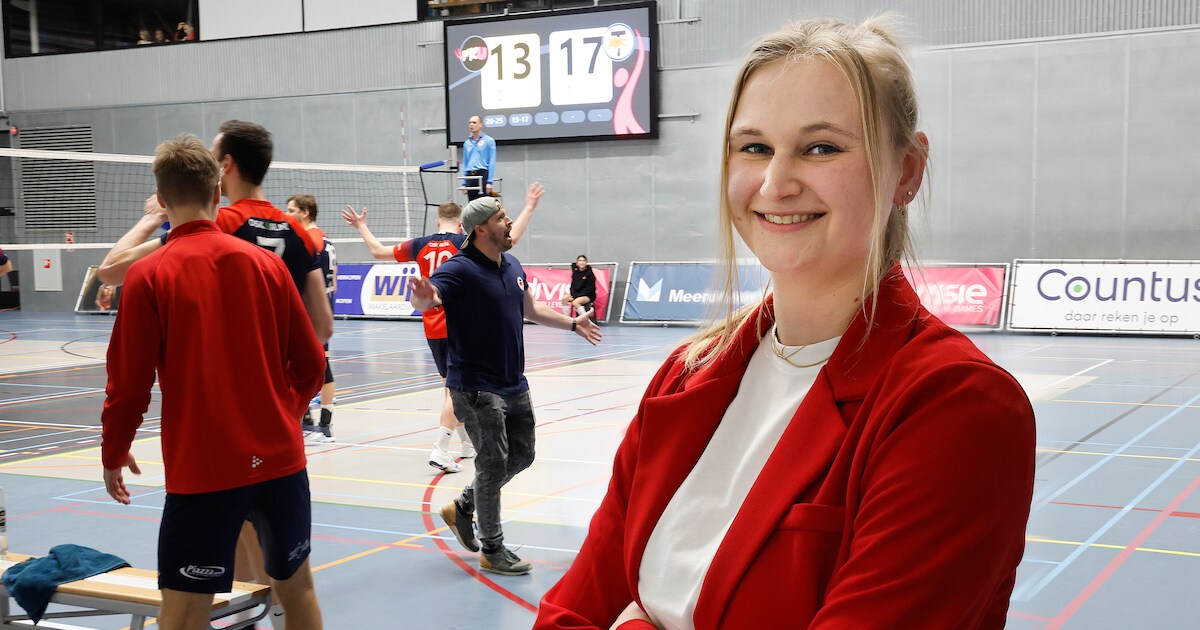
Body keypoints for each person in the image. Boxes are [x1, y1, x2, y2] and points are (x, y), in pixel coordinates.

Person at [536, 16, 1035, 629]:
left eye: (820, 147)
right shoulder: (686, 376)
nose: (775, 184)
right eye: (754, 148)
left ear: (906, 170)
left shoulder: (955, 406)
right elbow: (571, 608)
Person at [100, 134, 325, 629]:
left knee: (183, 612)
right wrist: (281, 419)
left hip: (204, 470)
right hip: (281, 462)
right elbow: (312, 363)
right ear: (217, 192)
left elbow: (129, 386)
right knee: (299, 590)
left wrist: (114, 451)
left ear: (162, 201)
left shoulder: (148, 274)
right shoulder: (266, 264)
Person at [409, 195, 602, 577]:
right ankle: (492, 548)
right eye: (501, 217)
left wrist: (572, 324)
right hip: (476, 387)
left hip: (514, 381)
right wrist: (424, 297)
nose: (510, 221)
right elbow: (429, 298)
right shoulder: (459, 269)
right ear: (482, 229)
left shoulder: (511, 264)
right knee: (493, 464)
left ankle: (463, 506)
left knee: (523, 456)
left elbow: (530, 309)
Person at [343, 182, 546, 473]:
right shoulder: (466, 244)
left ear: (438, 221)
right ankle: (440, 448)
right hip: (460, 324)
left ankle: (465, 443)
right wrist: (529, 207)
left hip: (432, 326)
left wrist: (361, 226)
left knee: (453, 389)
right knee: (458, 390)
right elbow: (511, 238)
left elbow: (378, 252)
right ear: (466, 224)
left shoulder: (421, 244)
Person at [96, 120, 333, 346]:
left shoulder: (216, 223)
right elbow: (323, 328)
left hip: (226, 367)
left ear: (225, 164)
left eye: (212, 156)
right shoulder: (300, 233)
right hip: (280, 372)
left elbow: (111, 271)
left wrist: (153, 217)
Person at [286, 193, 337, 443]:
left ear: (305, 213)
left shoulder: (306, 240)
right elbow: (334, 281)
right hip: (325, 307)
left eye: (291, 210)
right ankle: (323, 425)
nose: (287, 215)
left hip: (308, 312)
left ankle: (309, 425)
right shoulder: (327, 240)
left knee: (303, 367)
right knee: (323, 365)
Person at [460, 115, 496, 201]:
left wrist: (489, 182)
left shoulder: (489, 141)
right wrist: (463, 182)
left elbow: (492, 161)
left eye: (474, 122)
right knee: (472, 204)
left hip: (482, 173)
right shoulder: (467, 143)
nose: (471, 125)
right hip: (470, 175)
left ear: (481, 125)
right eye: (470, 123)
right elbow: (465, 163)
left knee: (483, 203)